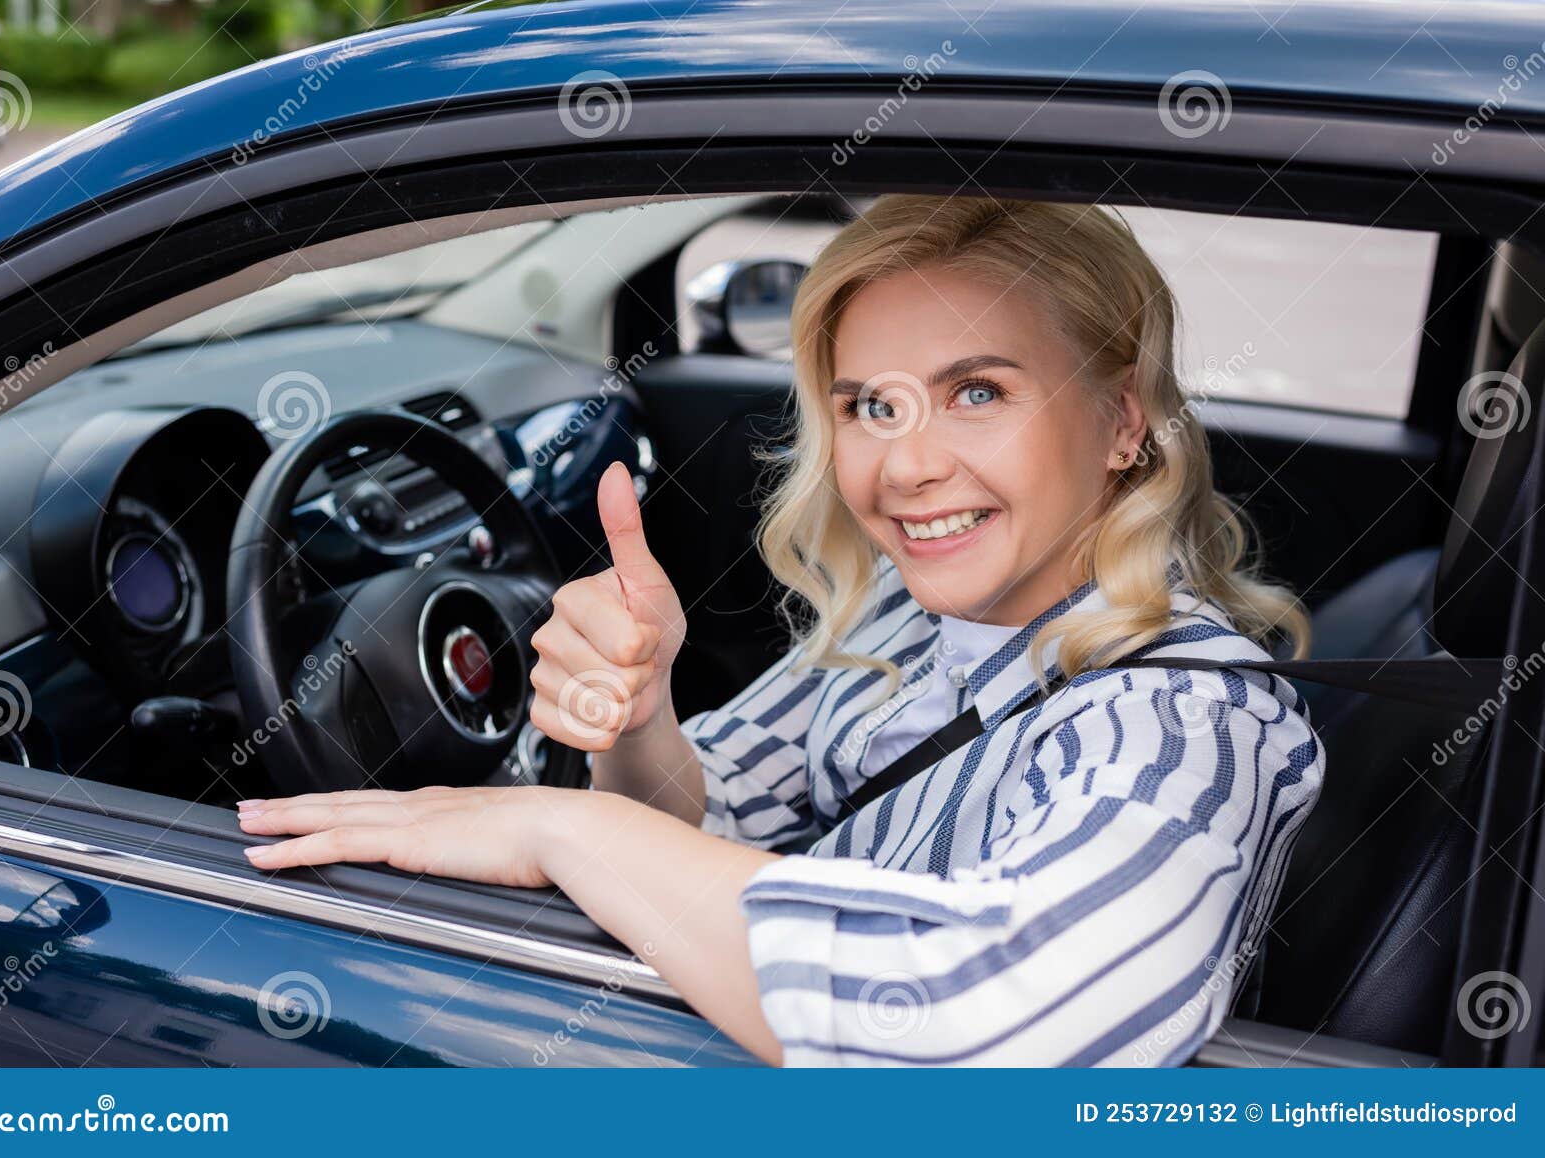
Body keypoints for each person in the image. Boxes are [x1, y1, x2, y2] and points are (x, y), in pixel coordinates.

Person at [236, 195, 1325, 1066]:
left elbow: (985, 1034)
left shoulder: (1186, 725)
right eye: (871, 407)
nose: (904, 468)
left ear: (1122, 421)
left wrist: (556, 829)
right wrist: (635, 715)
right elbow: (711, 811)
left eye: (979, 392)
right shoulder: (904, 620)